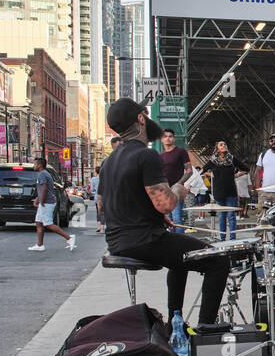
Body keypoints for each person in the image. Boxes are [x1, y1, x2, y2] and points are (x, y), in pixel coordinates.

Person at [102, 98, 229, 326]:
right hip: (143, 240)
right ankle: (204, 332)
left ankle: (176, 322)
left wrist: (154, 216)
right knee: (218, 260)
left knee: (180, 258)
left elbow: (104, 205)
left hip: (117, 241)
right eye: (145, 115)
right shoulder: (146, 155)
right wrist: (178, 190)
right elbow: (167, 204)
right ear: (141, 119)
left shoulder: (110, 160)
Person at [27, 157, 76, 253]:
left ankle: (69, 238)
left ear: (40, 165)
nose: (34, 166)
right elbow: (42, 190)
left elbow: (44, 189)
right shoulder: (44, 174)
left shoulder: (42, 174)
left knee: (48, 224)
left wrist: (42, 201)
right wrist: (38, 199)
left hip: (47, 202)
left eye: (35, 164)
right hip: (46, 201)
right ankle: (40, 245)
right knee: (39, 222)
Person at [198, 140, 241, 240]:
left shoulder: (232, 159)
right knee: (222, 217)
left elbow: (246, 169)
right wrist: (210, 174)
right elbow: (201, 171)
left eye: (225, 144)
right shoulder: (213, 161)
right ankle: (222, 238)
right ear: (217, 148)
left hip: (231, 192)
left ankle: (232, 238)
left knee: (231, 216)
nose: (224, 145)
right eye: (221, 145)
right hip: (219, 192)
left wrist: (237, 174)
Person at [159, 129, 193, 234]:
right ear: (162, 139)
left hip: (176, 191)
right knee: (168, 220)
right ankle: (171, 246)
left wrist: (179, 183)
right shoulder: (161, 156)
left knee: (177, 218)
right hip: (164, 192)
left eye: (170, 136)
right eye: (165, 136)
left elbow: (189, 171)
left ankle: (180, 246)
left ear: (173, 139)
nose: (168, 138)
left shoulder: (180, 152)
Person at [89, 165, 103, 234]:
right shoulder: (105, 178)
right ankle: (103, 228)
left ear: (96, 172)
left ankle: (99, 227)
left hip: (97, 197)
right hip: (106, 196)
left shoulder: (93, 179)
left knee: (98, 212)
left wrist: (95, 192)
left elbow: (91, 190)